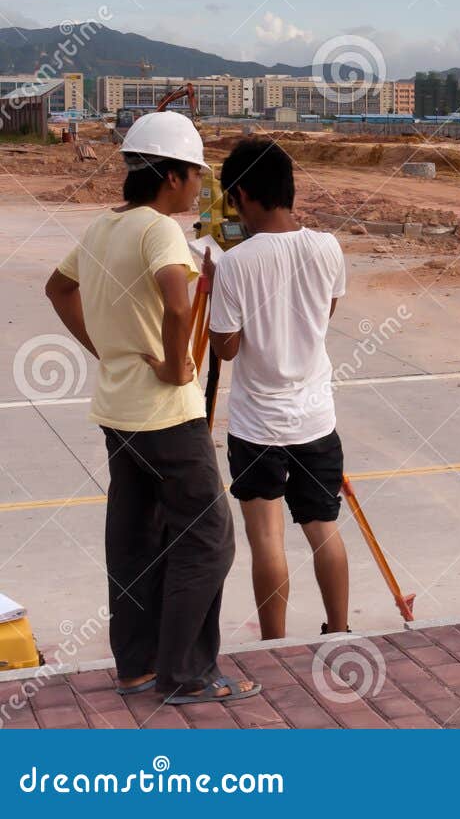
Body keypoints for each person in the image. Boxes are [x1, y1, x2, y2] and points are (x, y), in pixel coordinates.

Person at [44, 112, 259, 705]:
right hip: (166, 415)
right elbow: (176, 300)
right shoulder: (160, 230)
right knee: (209, 536)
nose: (198, 187)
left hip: (118, 411)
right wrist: (172, 364)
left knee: (137, 538)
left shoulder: (101, 227)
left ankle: (137, 665)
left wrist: (103, 348)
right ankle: (187, 672)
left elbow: (57, 289)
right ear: (170, 176)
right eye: (194, 175)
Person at [209, 137, 351, 640]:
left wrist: (218, 287)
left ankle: (274, 645)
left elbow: (225, 350)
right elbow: (323, 317)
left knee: (266, 539)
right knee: (322, 528)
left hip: (257, 424)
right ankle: (338, 629)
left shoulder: (234, 264)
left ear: (244, 194)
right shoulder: (328, 247)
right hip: (316, 418)